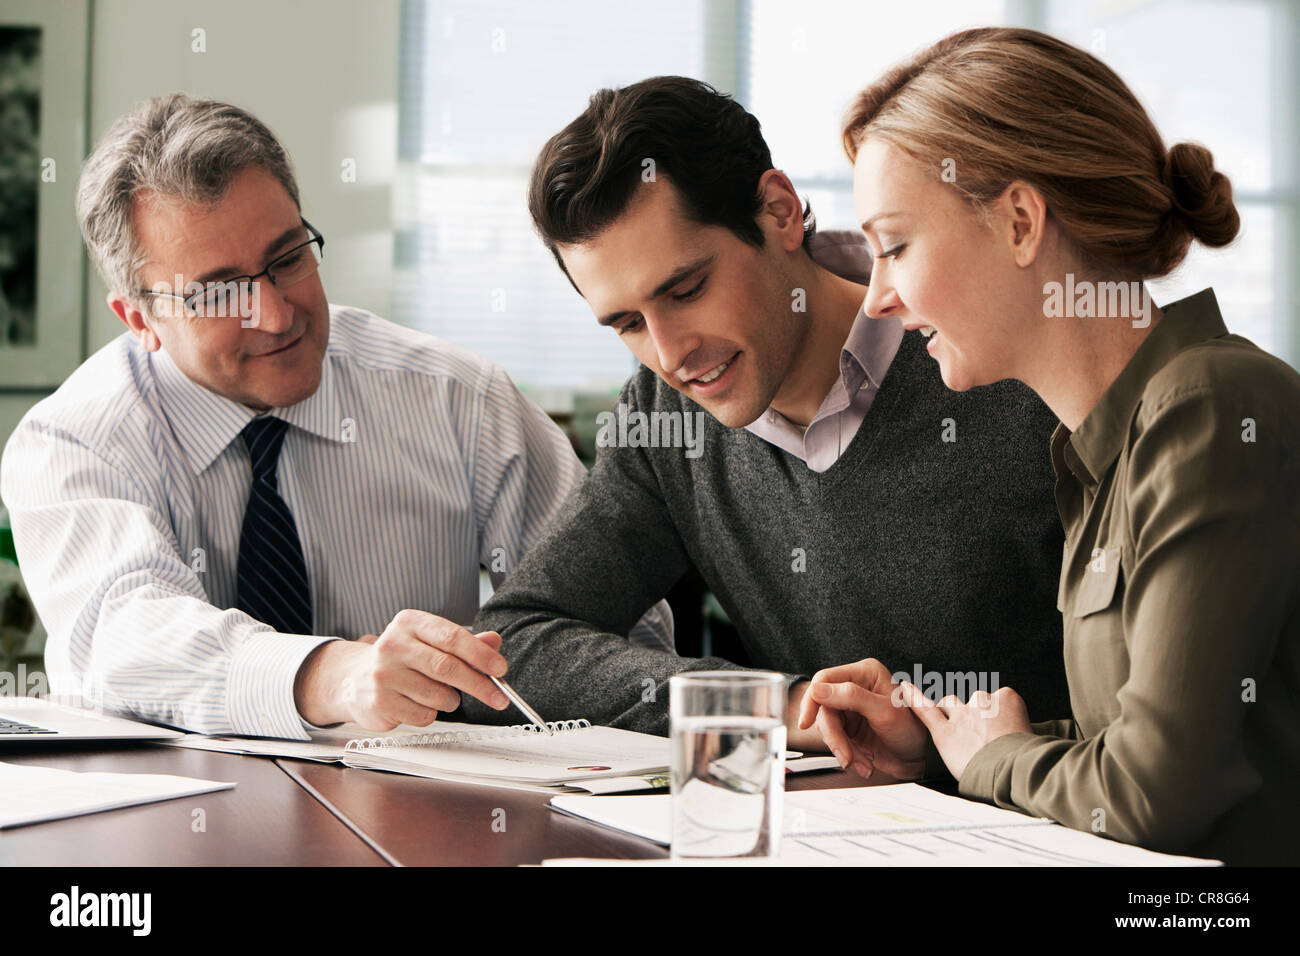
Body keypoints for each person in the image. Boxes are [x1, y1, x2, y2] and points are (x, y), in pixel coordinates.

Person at [0, 94, 670, 740]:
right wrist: (329, 675)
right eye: (221, 291)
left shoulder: (460, 400)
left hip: (430, 823)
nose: (275, 314)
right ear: (140, 319)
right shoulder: (74, 441)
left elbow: (622, 633)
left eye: (287, 259)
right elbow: (123, 638)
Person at [459, 75, 1072, 757]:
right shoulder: (668, 418)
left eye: (687, 289)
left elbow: (1166, 727)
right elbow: (513, 645)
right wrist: (769, 704)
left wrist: (946, 750)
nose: (671, 354)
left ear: (779, 211)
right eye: (628, 323)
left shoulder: (1001, 359)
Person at [802, 26, 1300, 863]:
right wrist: (940, 746)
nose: (877, 297)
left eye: (894, 246)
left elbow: (1154, 795)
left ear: (1022, 222)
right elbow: (1142, 739)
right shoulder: (1101, 449)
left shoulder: (1210, 408)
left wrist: (996, 760)